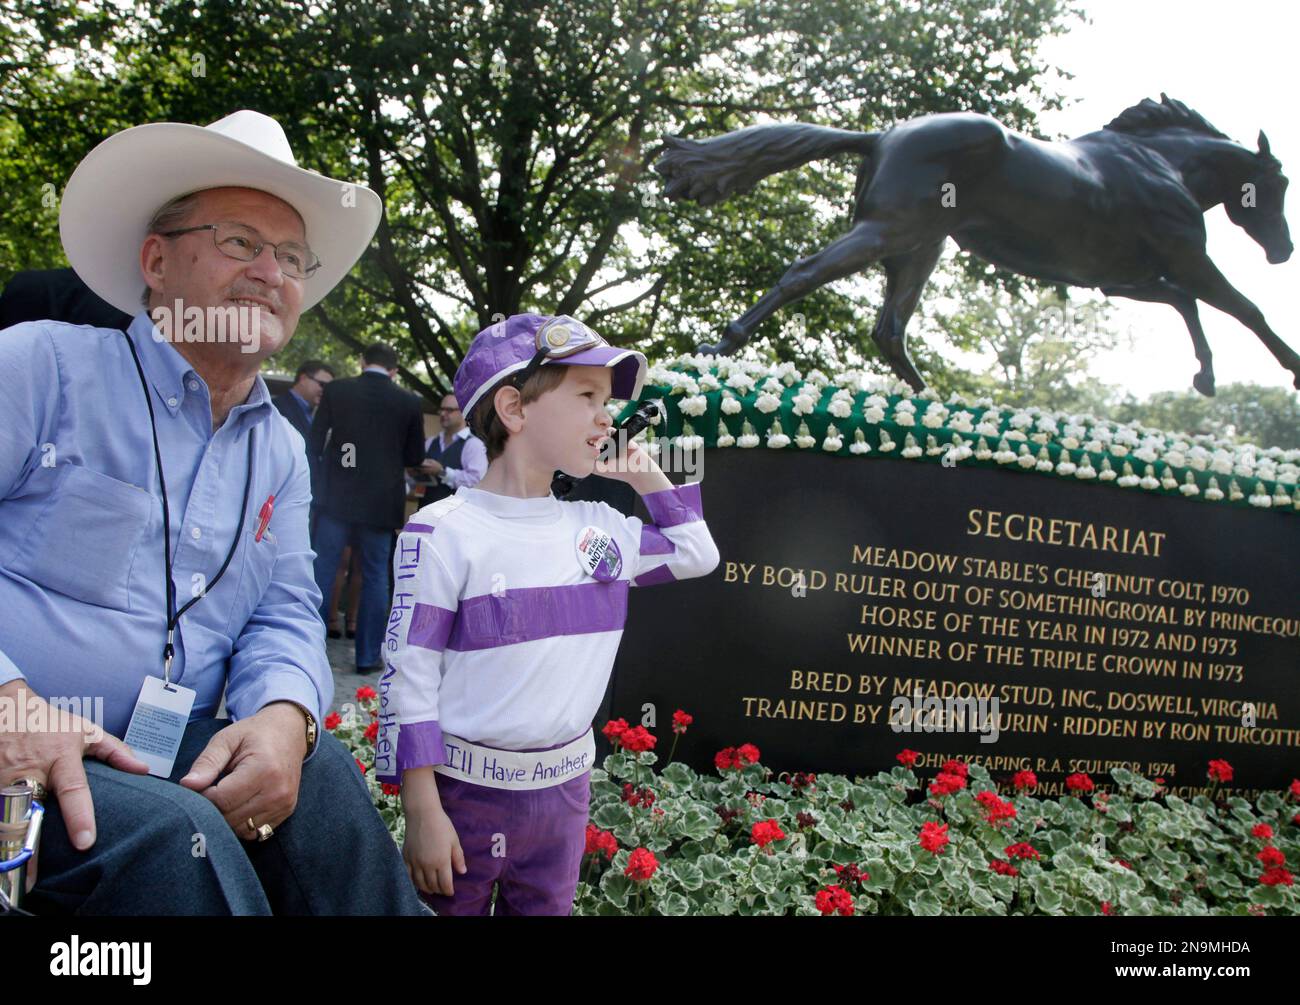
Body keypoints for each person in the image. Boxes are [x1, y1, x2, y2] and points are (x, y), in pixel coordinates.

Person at [0, 109, 427, 915]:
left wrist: (283, 714)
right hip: (23, 749)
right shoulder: (40, 368)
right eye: (240, 242)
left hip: (163, 750)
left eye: (292, 256)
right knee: (175, 837)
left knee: (322, 777)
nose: (272, 270)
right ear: (156, 261)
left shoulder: (278, 447)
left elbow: (286, 607)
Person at [378, 313, 720, 915]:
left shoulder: (601, 527)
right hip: (463, 797)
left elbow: (699, 552)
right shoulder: (441, 531)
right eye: (587, 396)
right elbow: (410, 677)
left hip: (564, 796)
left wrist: (643, 471)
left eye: (607, 401)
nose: (606, 416)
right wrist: (421, 808)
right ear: (514, 409)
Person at [310, 343, 426, 672]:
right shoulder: (409, 402)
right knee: (377, 578)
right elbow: (414, 457)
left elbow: (315, 442)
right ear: (394, 370)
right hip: (380, 503)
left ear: (361, 362)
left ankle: (308, 646)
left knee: (323, 571)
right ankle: (366, 656)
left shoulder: (337, 390)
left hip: (335, 499)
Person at [273, 359, 334, 531]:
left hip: (304, 496)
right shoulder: (276, 408)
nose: (324, 391)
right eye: (322, 384)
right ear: (303, 378)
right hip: (280, 496)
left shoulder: (315, 415)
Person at [416, 392, 486, 504]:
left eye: (449, 410)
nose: (443, 413)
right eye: (441, 409)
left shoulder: (474, 445)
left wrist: (442, 472)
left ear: (463, 412)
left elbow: (476, 483)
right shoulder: (430, 442)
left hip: (456, 516)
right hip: (425, 511)